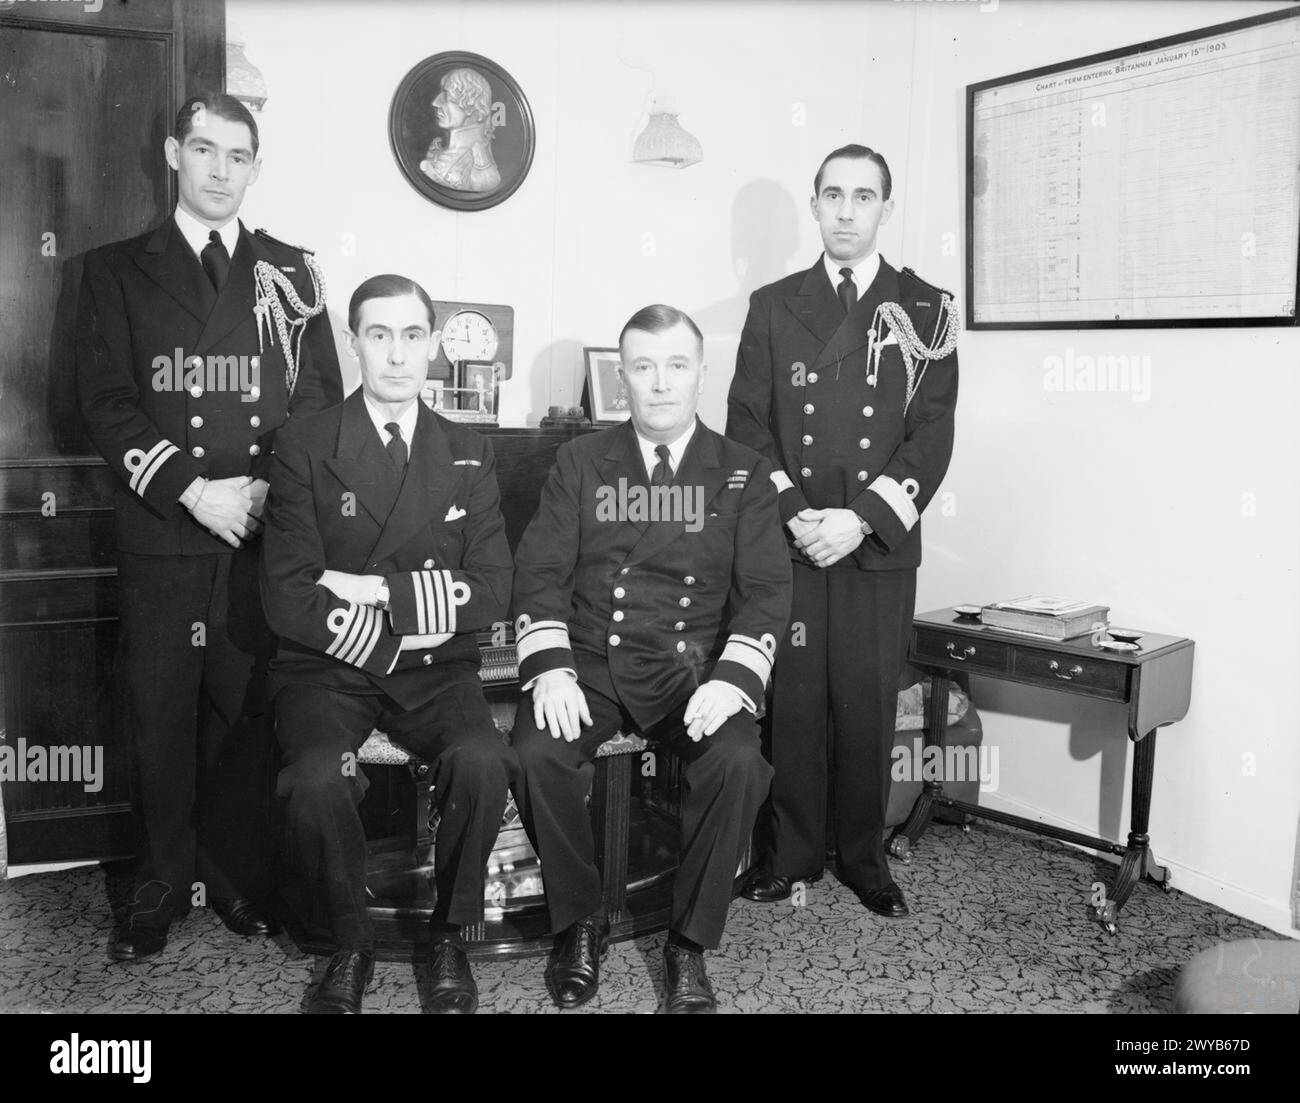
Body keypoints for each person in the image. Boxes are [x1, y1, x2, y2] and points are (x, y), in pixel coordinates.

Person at [76, 92, 342, 962]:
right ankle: (157, 879)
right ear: (172, 155)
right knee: (157, 707)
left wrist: (264, 492)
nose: (221, 169)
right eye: (204, 150)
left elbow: (317, 402)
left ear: (255, 168)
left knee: (241, 709)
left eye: (238, 155)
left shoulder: (291, 275)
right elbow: (107, 406)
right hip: (166, 528)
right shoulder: (114, 269)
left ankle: (232, 876)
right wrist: (195, 490)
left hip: (255, 535)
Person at [510, 304, 791, 1013]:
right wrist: (548, 663)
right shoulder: (579, 461)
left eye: (676, 366)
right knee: (534, 752)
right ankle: (579, 923)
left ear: (700, 373)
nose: (660, 383)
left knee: (737, 762)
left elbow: (764, 591)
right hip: (594, 659)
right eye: (642, 367)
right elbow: (540, 571)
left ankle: (688, 943)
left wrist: (733, 678)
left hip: (692, 668)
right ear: (622, 378)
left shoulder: (744, 473)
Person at [260, 274, 515, 1015]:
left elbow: (494, 587)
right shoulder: (305, 443)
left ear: (432, 344)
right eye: (378, 335)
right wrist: (410, 617)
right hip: (329, 666)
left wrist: (374, 590)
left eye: (411, 336)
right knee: (315, 777)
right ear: (354, 342)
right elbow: (289, 592)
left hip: (435, 673)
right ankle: (350, 942)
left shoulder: (467, 448)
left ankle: (448, 937)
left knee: (484, 759)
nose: (397, 355)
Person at [726, 144, 959, 918]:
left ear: (885, 209)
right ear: (816, 205)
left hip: (874, 543)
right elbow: (747, 427)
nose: (847, 211)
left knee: (865, 703)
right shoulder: (772, 304)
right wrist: (796, 514)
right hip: (794, 540)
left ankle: (863, 857)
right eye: (833, 195)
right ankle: (789, 853)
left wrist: (860, 519)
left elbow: (932, 434)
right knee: (791, 702)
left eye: (864, 196)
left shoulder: (927, 308)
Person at [420, 67, 502, 193]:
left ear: (471, 105)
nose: (436, 103)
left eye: (448, 97)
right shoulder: (445, 155)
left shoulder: (478, 167)